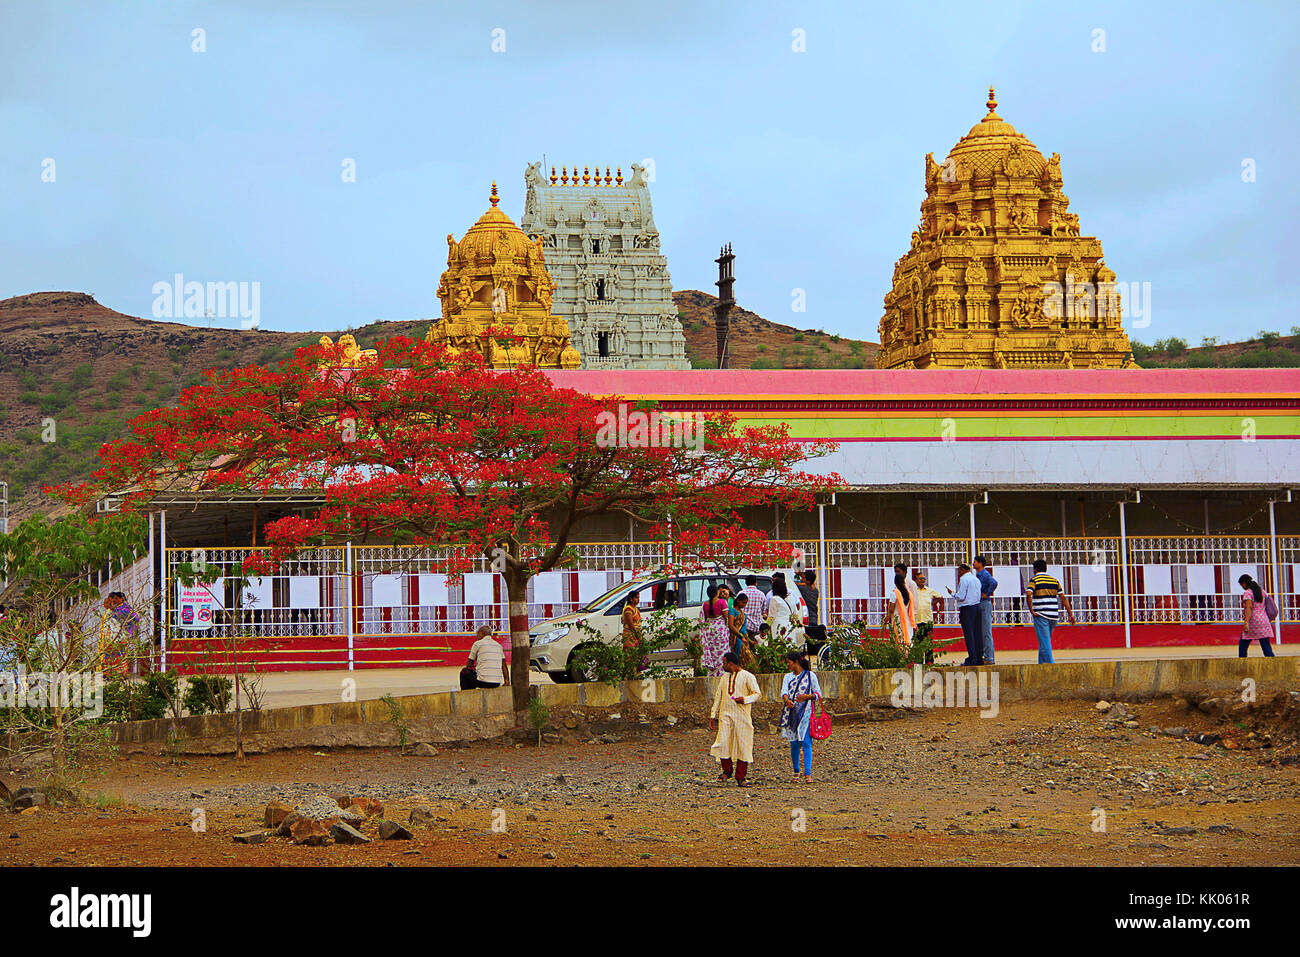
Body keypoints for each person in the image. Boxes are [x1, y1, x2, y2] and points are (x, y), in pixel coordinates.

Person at [709, 651, 761, 786]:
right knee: (723, 742)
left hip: (742, 716)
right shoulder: (724, 678)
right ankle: (727, 771)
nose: (723, 665)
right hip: (725, 715)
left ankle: (741, 777)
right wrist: (712, 715)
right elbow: (718, 696)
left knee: (743, 744)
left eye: (724, 663)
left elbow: (757, 694)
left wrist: (744, 699)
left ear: (730, 663)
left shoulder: (748, 676)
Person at [780, 650, 823, 783]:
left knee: (805, 742)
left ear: (796, 662)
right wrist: (787, 701)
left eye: (789, 662)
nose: (788, 665)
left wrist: (807, 697)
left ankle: (808, 773)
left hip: (806, 712)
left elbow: (818, 694)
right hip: (791, 713)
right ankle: (796, 771)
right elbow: (784, 692)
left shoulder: (811, 676)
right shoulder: (787, 677)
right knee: (794, 743)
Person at [1026, 560, 1076, 664]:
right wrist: (1070, 614)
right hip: (1053, 616)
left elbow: (1029, 593)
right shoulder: (1054, 580)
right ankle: (1041, 665)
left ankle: (1051, 666)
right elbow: (1063, 598)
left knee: (1044, 642)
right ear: (1046, 568)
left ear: (1035, 569)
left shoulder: (1034, 580)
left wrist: (1031, 610)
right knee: (1044, 642)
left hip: (1041, 615)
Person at [948, 563, 983, 665]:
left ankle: (972, 658)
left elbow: (961, 596)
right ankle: (979, 657)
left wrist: (952, 593)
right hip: (977, 606)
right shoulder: (975, 579)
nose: (958, 573)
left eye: (959, 571)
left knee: (969, 634)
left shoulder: (964, 580)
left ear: (963, 570)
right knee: (977, 633)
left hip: (967, 608)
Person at [1237, 574, 1276, 658]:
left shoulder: (1248, 593)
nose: (1242, 587)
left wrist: (1246, 622)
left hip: (1253, 621)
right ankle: (1273, 663)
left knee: (1243, 644)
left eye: (1241, 585)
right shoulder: (1262, 591)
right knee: (1266, 646)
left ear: (1244, 583)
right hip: (1264, 620)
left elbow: (1249, 607)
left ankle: (1242, 663)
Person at [699, 584, 731, 676]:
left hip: (709, 629)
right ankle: (721, 672)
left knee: (712, 653)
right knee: (722, 653)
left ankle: (713, 672)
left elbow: (704, 618)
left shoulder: (705, 604)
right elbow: (726, 617)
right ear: (717, 593)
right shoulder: (722, 602)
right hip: (719, 630)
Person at [912, 571, 943, 664]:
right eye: (920, 579)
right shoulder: (913, 591)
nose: (922, 580)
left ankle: (929, 662)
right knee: (917, 643)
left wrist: (933, 605)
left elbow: (940, 597)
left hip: (927, 620)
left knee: (928, 642)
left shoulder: (930, 591)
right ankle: (919, 662)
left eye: (924, 579)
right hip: (916, 621)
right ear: (915, 580)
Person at [466, 625, 509, 689]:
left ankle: (468, 694)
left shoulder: (477, 644)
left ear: (482, 633)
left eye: (478, 633)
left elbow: (469, 664)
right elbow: (504, 665)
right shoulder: (499, 646)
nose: (476, 636)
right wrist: (507, 681)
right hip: (496, 683)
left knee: (464, 672)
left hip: (482, 682)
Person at [973, 555, 998, 665]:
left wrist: (986, 594)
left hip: (985, 603)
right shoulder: (979, 574)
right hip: (981, 603)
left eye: (975, 562)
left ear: (980, 563)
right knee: (982, 631)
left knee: (986, 631)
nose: (973, 564)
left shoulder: (985, 574)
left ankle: (989, 657)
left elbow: (994, 583)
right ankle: (985, 655)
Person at [883, 571, 916, 648]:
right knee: (908, 640)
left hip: (898, 620)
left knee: (899, 641)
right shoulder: (909, 594)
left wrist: (886, 621)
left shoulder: (894, 593)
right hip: (908, 620)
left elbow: (891, 609)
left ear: (895, 582)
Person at [797, 570, 826, 652]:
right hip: (814, 617)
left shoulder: (803, 589)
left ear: (808, 581)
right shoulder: (815, 590)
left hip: (807, 618)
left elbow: (796, 585)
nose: (801, 579)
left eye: (803, 578)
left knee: (808, 640)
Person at [766, 576, 798, 644]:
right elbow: (795, 614)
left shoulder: (774, 599)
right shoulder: (791, 597)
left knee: (779, 646)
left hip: (778, 626)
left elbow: (771, 616)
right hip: (790, 625)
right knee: (789, 644)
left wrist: (767, 627)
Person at [727, 592, 749, 659]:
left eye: (746, 603)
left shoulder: (742, 612)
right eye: (743, 603)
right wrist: (740, 636)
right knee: (736, 656)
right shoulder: (732, 611)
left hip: (743, 637)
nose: (744, 605)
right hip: (735, 637)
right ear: (738, 601)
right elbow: (730, 625)